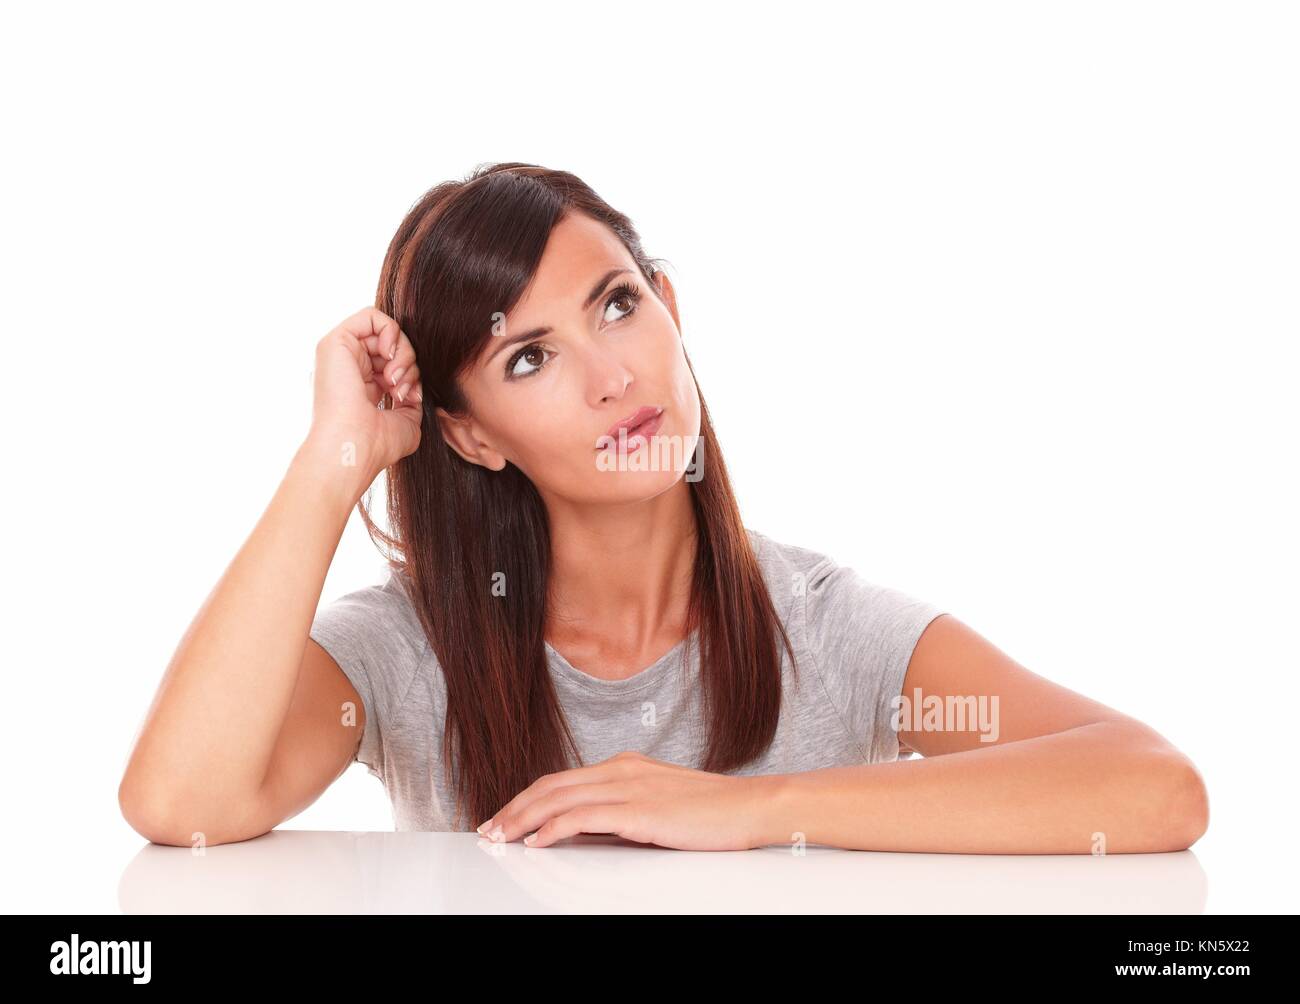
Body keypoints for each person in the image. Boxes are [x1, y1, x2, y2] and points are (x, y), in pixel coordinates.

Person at [119, 162, 1209, 853]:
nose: (611, 376)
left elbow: (1154, 787)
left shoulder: (825, 631)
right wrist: (334, 457)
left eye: (618, 304)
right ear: (471, 432)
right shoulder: (413, 649)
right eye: (531, 355)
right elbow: (181, 802)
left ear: (670, 309)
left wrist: (746, 809)